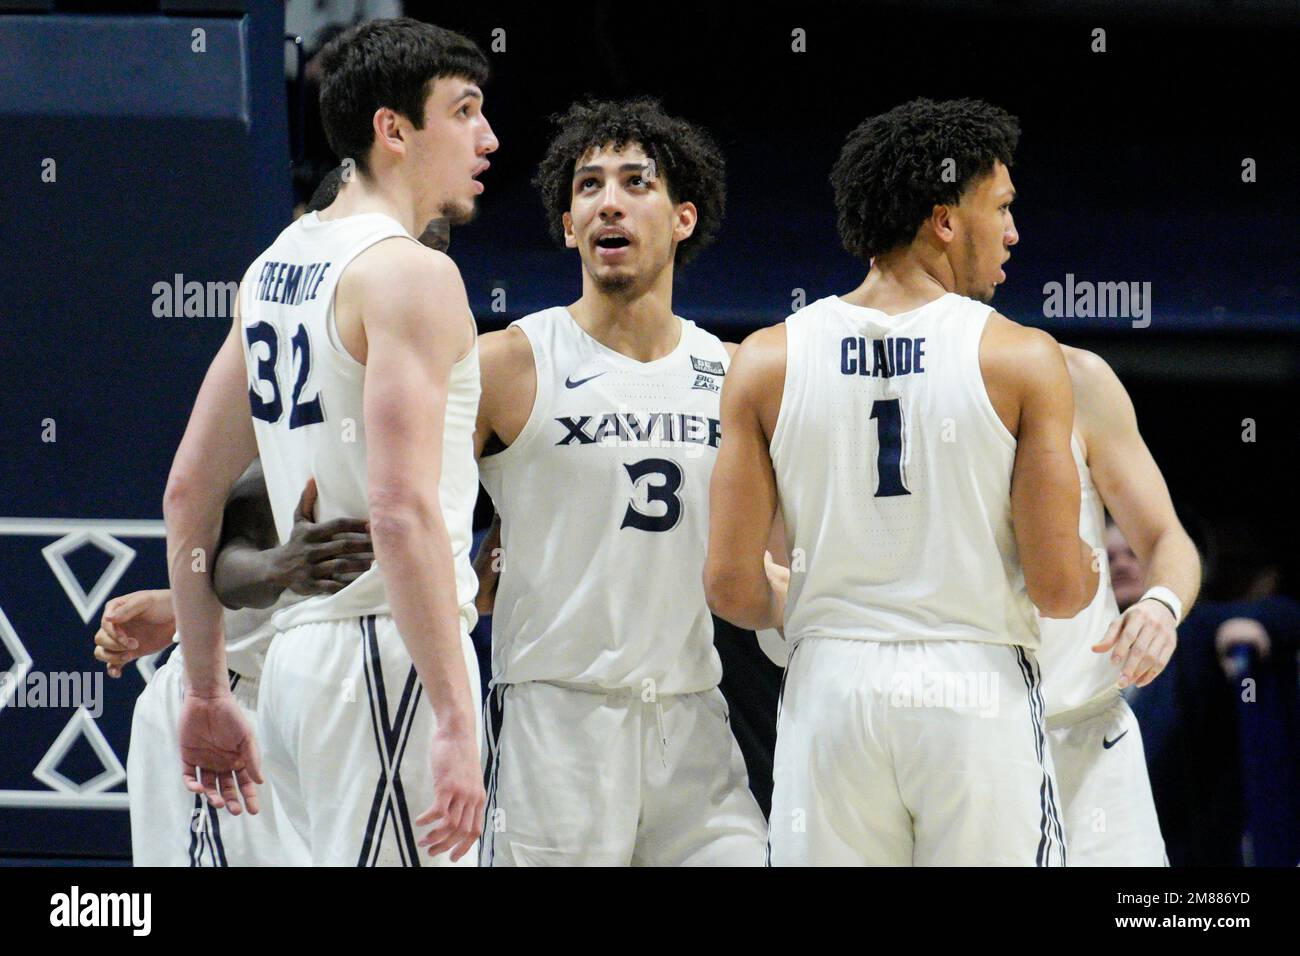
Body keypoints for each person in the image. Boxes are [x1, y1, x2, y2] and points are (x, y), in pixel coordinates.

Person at [706, 97, 1099, 866]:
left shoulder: (765, 359)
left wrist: (830, 607)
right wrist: (1085, 571)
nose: (1014, 232)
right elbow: (1058, 589)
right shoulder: (1021, 356)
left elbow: (729, 585)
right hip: (973, 685)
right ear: (945, 220)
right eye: (1003, 207)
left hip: (832, 691)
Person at [161, 17, 498, 866]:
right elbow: (399, 509)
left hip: (301, 669)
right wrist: (457, 715)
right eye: (463, 112)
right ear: (393, 130)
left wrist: (204, 689)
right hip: (387, 654)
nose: (487, 138)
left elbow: (186, 495)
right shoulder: (411, 272)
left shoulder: (273, 267)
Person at [472, 98, 768, 865]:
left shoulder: (736, 374)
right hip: (557, 730)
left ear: (684, 218)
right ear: (569, 224)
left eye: (637, 182)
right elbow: (392, 505)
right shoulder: (508, 363)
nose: (608, 199)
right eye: (588, 185)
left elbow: (788, 545)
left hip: (692, 723)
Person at [99, 463, 370, 865]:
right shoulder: (265, 418)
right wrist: (191, 619)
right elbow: (194, 502)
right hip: (233, 705)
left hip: (351, 711)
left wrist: (183, 611)